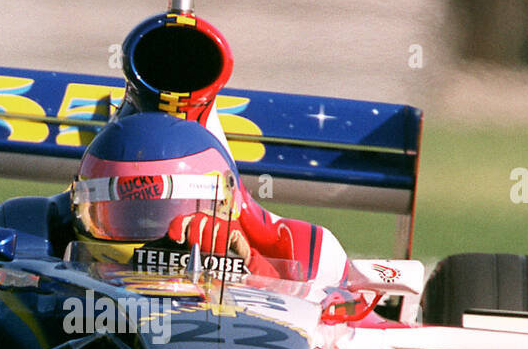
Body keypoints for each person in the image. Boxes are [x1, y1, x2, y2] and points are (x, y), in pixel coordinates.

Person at [68, 111, 345, 285]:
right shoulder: (53, 235)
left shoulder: (298, 252)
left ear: (225, 205)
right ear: (82, 210)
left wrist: (247, 268)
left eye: (171, 212)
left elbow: (328, 307)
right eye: (127, 215)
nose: (164, 238)